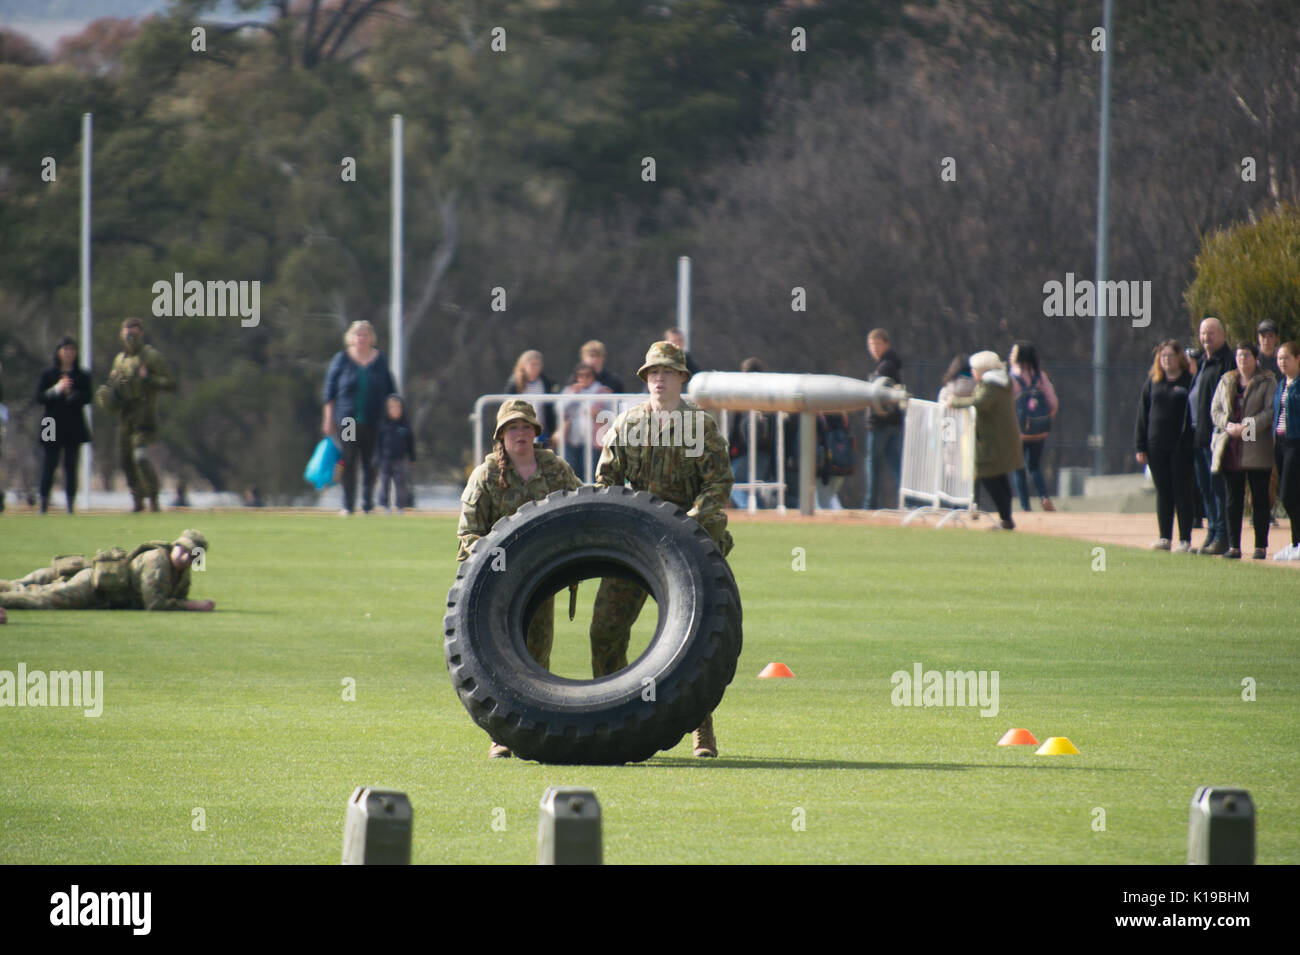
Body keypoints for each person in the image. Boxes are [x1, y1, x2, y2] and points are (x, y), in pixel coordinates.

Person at [588, 341, 733, 757]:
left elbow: (718, 485)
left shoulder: (700, 426)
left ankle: (701, 727)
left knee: (698, 640)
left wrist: (690, 521)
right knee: (606, 629)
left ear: (681, 378)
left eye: (667, 372)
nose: (658, 379)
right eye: (652, 373)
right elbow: (605, 482)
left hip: (690, 543)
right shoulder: (628, 424)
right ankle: (610, 719)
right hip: (636, 544)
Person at [457, 399, 582, 757]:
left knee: (537, 659)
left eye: (526, 427)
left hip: (543, 580)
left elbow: (584, 507)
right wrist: (498, 559)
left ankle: (535, 731)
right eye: (513, 428)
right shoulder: (485, 475)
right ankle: (501, 734)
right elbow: (467, 534)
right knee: (500, 659)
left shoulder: (555, 469)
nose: (521, 433)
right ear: (501, 436)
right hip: (498, 586)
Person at [0, 529, 213, 612]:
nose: (185, 557)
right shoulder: (157, 561)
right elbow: (154, 603)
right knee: (39, 599)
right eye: (183, 550)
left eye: (192, 555)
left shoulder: (180, 572)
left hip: (99, 585)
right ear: (175, 545)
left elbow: (173, 596)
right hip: (92, 589)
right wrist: (193, 605)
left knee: (26, 586)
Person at [96, 318, 175, 513]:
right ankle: (137, 498)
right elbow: (114, 387)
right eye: (127, 333)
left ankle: (153, 496)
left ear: (141, 334)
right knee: (126, 459)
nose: (130, 337)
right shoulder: (119, 359)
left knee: (140, 456)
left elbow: (169, 383)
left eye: (134, 333)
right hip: (126, 416)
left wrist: (149, 378)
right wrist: (108, 396)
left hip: (145, 414)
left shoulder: (150, 356)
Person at [322, 321, 396, 516]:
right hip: (348, 419)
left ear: (371, 337)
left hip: (373, 419)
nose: (361, 339)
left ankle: (367, 504)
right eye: (358, 335)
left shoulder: (380, 360)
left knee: (371, 462)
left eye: (365, 335)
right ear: (351, 338)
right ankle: (347, 504)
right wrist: (328, 418)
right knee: (348, 460)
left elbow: (390, 390)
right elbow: (329, 392)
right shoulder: (342, 359)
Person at [1211, 341, 1276, 559]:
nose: (1242, 360)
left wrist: (1246, 427)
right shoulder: (1227, 380)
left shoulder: (1267, 380)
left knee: (1259, 498)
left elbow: (1269, 412)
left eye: (1246, 355)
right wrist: (1228, 425)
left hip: (1257, 449)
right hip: (1231, 448)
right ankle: (1234, 546)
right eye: (1239, 356)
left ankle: (1260, 546)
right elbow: (1216, 409)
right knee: (1233, 499)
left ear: (1255, 358)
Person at [944, 351, 1022, 529]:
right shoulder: (998, 382)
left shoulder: (991, 385)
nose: (972, 372)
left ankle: (1006, 519)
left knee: (989, 476)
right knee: (1000, 477)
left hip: (994, 441)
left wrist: (954, 402)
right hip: (1000, 439)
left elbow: (980, 402)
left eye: (974, 369)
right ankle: (1006, 518)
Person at [1134, 340, 1195, 551]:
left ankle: (1185, 539)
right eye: (1163, 356)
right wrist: (1140, 446)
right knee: (1163, 491)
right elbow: (1143, 414)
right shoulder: (1153, 381)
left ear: (1180, 358)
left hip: (1181, 446)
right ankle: (1164, 537)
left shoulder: (1189, 381)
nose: (1166, 359)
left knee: (1182, 491)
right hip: (1155, 445)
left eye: (1170, 355)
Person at [1187, 317, 1234, 554]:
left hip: (1216, 437)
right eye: (1203, 334)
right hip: (1199, 435)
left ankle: (1222, 537)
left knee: (1218, 489)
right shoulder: (1204, 362)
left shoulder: (1227, 361)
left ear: (1222, 334)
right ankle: (1212, 533)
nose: (1206, 338)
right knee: (1205, 488)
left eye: (1211, 333)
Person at [35, 336, 93, 515]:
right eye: (65, 349)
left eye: (72, 350)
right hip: (50, 422)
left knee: (71, 465)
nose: (69, 353)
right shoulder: (48, 374)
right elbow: (39, 397)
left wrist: (72, 394)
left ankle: (70, 504)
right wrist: (57, 389)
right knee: (49, 463)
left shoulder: (81, 375)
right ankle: (44, 502)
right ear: (58, 352)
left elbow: (87, 397)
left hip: (72, 423)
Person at [1008, 341, 1059, 512]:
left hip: (1019, 431)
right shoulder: (1040, 376)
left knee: (1018, 468)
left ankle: (1025, 506)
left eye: (1013, 352)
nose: (1010, 355)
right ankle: (1044, 496)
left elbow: (1008, 405)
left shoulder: (1012, 378)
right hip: (1039, 431)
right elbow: (1053, 403)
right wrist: (1043, 419)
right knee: (1035, 466)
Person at [728, 357, 776, 509]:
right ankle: (761, 514)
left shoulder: (742, 398)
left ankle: (751, 512)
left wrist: (729, 452)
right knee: (751, 489)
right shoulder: (771, 397)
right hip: (766, 453)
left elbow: (735, 430)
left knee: (732, 485)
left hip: (745, 453)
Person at [864, 328, 904, 509]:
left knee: (874, 465)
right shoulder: (891, 365)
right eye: (871, 344)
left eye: (877, 344)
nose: (874, 348)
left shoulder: (885, 367)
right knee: (894, 464)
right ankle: (908, 501)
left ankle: (870, 504)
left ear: (886, 344)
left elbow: (877, 396)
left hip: (880, 423)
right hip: (892, 423)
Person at [558, 362, 612, 483]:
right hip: (573, 440)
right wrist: (572, 395)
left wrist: (598, 413)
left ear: (594, 376)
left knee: (593, 475)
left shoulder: (603, 391)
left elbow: (613, 415)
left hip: (594, 444)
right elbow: (559, 409)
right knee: (573, 475)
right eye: (580, 375)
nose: (584, 378)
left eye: (588, 375)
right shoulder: (570, 390)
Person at [1272, 341, 1300, 560]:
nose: (1282, 362)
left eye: (1286, 358)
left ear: (1297, 358)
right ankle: (1295, 543)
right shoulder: (1282, 384)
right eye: (1279, 358)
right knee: (1290, 495)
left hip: (1295, 443)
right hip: (1280, 443)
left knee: (1288, 494)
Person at [503, 349, 557, 442]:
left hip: (541, 431)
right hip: (520, 432)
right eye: (532, 364)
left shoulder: (546, 383)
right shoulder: (514, 384)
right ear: (524, 365)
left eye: (538, 364)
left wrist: (551, 431)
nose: (535, 367)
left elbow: (549, 410)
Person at [374, 394, 416, 514]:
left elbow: (410, 443)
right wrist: (376, 458)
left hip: (400, 459)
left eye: (398, 407)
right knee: (384, 483)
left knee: (400, 484)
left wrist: (412, 458)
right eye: (392, 408)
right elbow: (378, 444)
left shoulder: (405, 426)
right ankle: (384, 506)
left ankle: (400, 506)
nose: (395, 410)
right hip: (385, 459)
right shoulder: (383, 425)